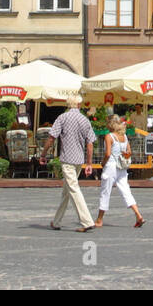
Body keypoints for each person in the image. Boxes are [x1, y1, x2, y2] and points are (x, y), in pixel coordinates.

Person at [39, 94, 96, 232]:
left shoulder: (62, 118)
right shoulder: (84, 120)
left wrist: (43, 154)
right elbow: (90, 143)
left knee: (73, 189)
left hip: (67, 159)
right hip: (78, 160)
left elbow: (52, 138)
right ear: (78, 105)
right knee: (67, 190)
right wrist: (89, 163)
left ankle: (87, 221)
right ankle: (57, 221)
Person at [95, 116, 145, 229]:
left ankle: (99, 219)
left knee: (105, 192)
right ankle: (138, 214)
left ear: (110, 124)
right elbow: (129, 152)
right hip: (121, 167)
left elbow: (108, 154)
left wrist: (102, 163)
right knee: (126, 191)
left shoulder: (109, 136)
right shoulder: (124, 136)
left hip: (111, 166)